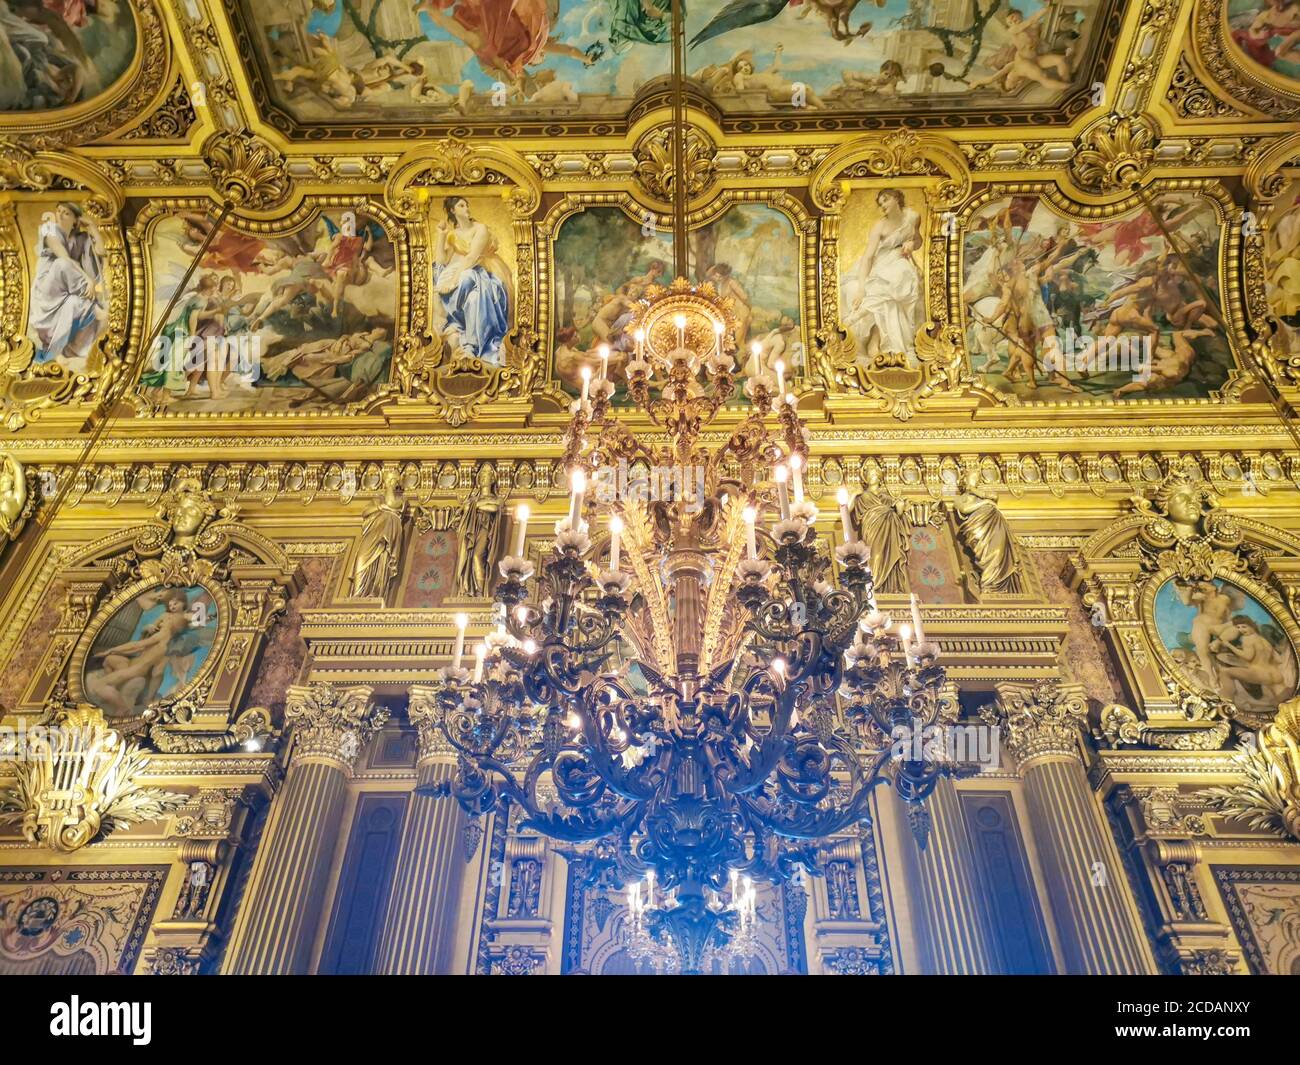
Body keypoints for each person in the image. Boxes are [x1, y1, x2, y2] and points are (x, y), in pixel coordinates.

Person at [841, 189, 922, 362]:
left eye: (885, 200)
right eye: (880, 203)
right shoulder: (880, 226)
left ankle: (862, 323)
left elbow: (918, 240)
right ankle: (872, 336)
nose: (883, 205)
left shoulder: (913, 217)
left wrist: (911, 244)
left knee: (902, 273)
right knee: (895, 279)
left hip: (900, 259)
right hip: (880, 263)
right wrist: (862, 288)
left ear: (896, 198)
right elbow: (868, 257)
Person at [434, 196, 513, 365]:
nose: (467, 208)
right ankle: (467, 337)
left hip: (486, 272)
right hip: (464, 275)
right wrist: (441, 236)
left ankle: (472, 346)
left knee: (469, 279)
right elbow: (441, 261)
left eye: (467, 204)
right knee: (473, 296)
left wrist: (454, 280)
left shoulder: (480, 229)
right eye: (461, 205)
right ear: (453, 211)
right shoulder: (453, 235)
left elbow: (472, 257)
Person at [28, 202, 105, 368]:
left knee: (74, 303)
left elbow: (102, 251)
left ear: (76, 221)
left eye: (67, 213)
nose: (60, 215)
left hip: (68, 293)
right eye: (59, 211)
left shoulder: (81, 239)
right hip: (48, 290)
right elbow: (64, 257)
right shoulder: (49, 229)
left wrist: (92, 227)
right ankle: (94, 307)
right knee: (61, 264)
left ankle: (64, 352)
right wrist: (87, 280)